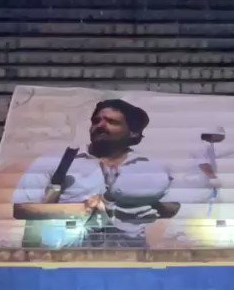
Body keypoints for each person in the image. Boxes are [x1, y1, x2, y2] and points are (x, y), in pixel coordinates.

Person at [12, 99, 180, 250]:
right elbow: (21, 209)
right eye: (96, 120)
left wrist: (136, 202)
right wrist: (84, 208)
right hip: (66, 257)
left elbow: (173, 207)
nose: (100, 125)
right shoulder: (56, 161)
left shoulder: (151, 167)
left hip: (129, 259)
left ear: (133, 132)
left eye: (112, 122)